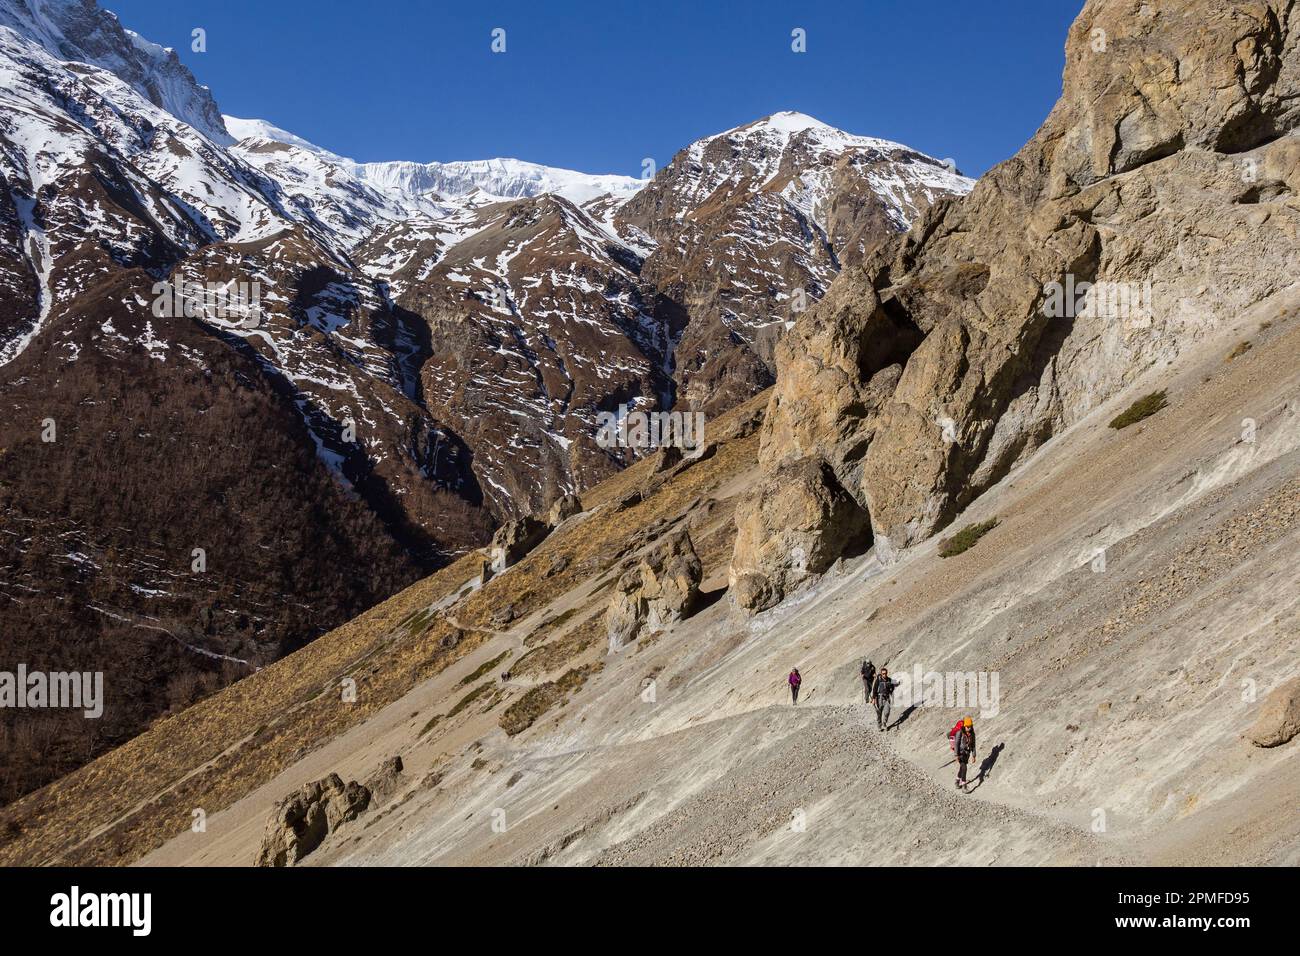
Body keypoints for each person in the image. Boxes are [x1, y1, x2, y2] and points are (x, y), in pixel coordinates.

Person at [954, 717, 977, 790]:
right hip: (960, 753)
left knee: (962, 768)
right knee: (964, 768)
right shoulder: (960, 732)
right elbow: (956, 744)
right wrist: (956, 755)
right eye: (967, 727)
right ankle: (964, 785)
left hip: (967, 754)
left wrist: (974, 755)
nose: (969, 728)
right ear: (964, 726)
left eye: (970, 726)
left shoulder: (972, 734)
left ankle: (957, 781)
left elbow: (973, 745)